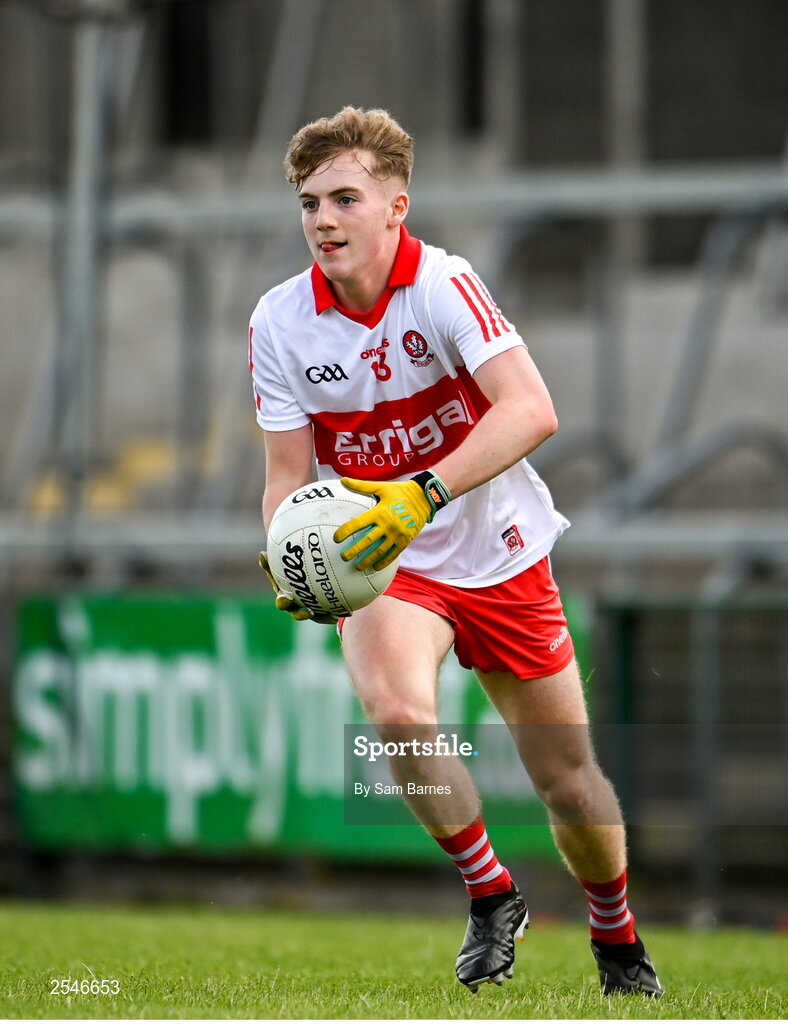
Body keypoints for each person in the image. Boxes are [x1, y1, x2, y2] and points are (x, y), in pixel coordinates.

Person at [250, 105, 662, 997]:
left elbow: (531, 409)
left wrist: (423, 492)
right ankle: (491, 893)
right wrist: (286, 551)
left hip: (501, 552)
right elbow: (287, 473)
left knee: (566, 780)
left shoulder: (445, 284)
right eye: (309, 202)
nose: (322, 219)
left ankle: (617, 936)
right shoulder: (280, 321)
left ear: (397, 206)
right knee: (397, 716)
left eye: (344, 198)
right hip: (388, 563)